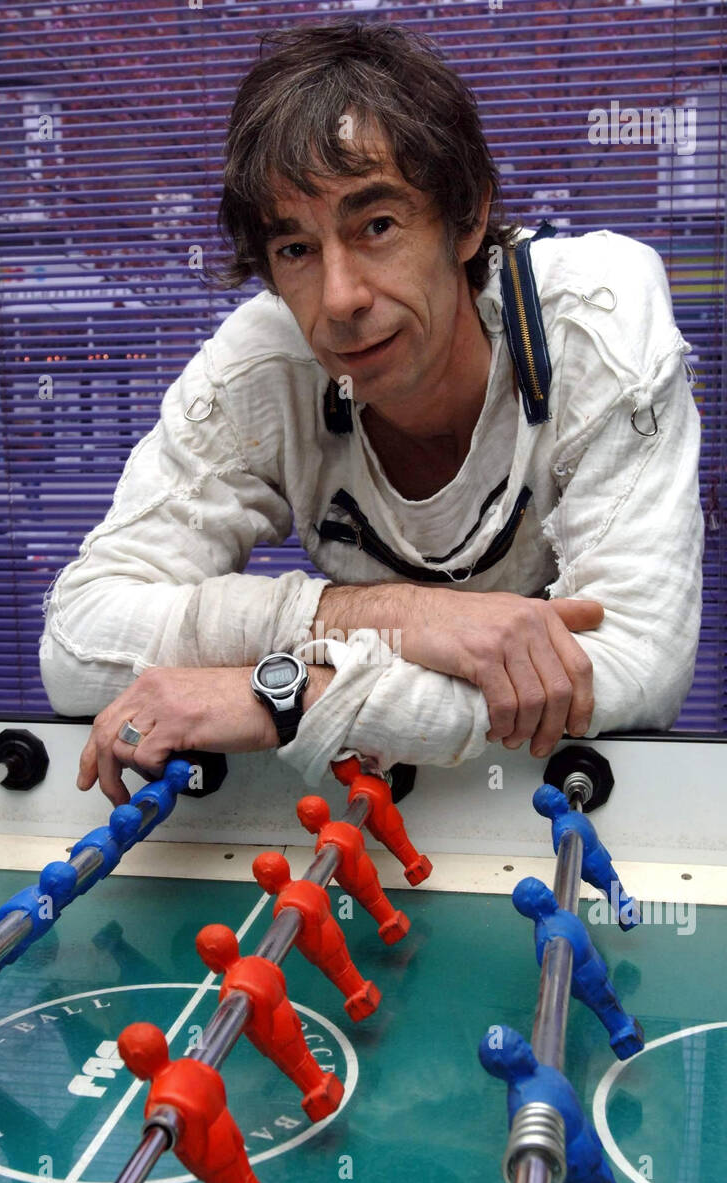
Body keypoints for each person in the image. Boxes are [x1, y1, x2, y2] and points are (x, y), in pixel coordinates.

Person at [40, 22, 704, 807]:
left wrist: (289, 699)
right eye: (295, 249)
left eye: (377, 226)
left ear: (465, 218)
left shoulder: (597, 320)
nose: (339, 299)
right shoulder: (260, 364)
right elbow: (80, 640)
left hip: (543, 800)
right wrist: (397, 617)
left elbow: (636, 663)